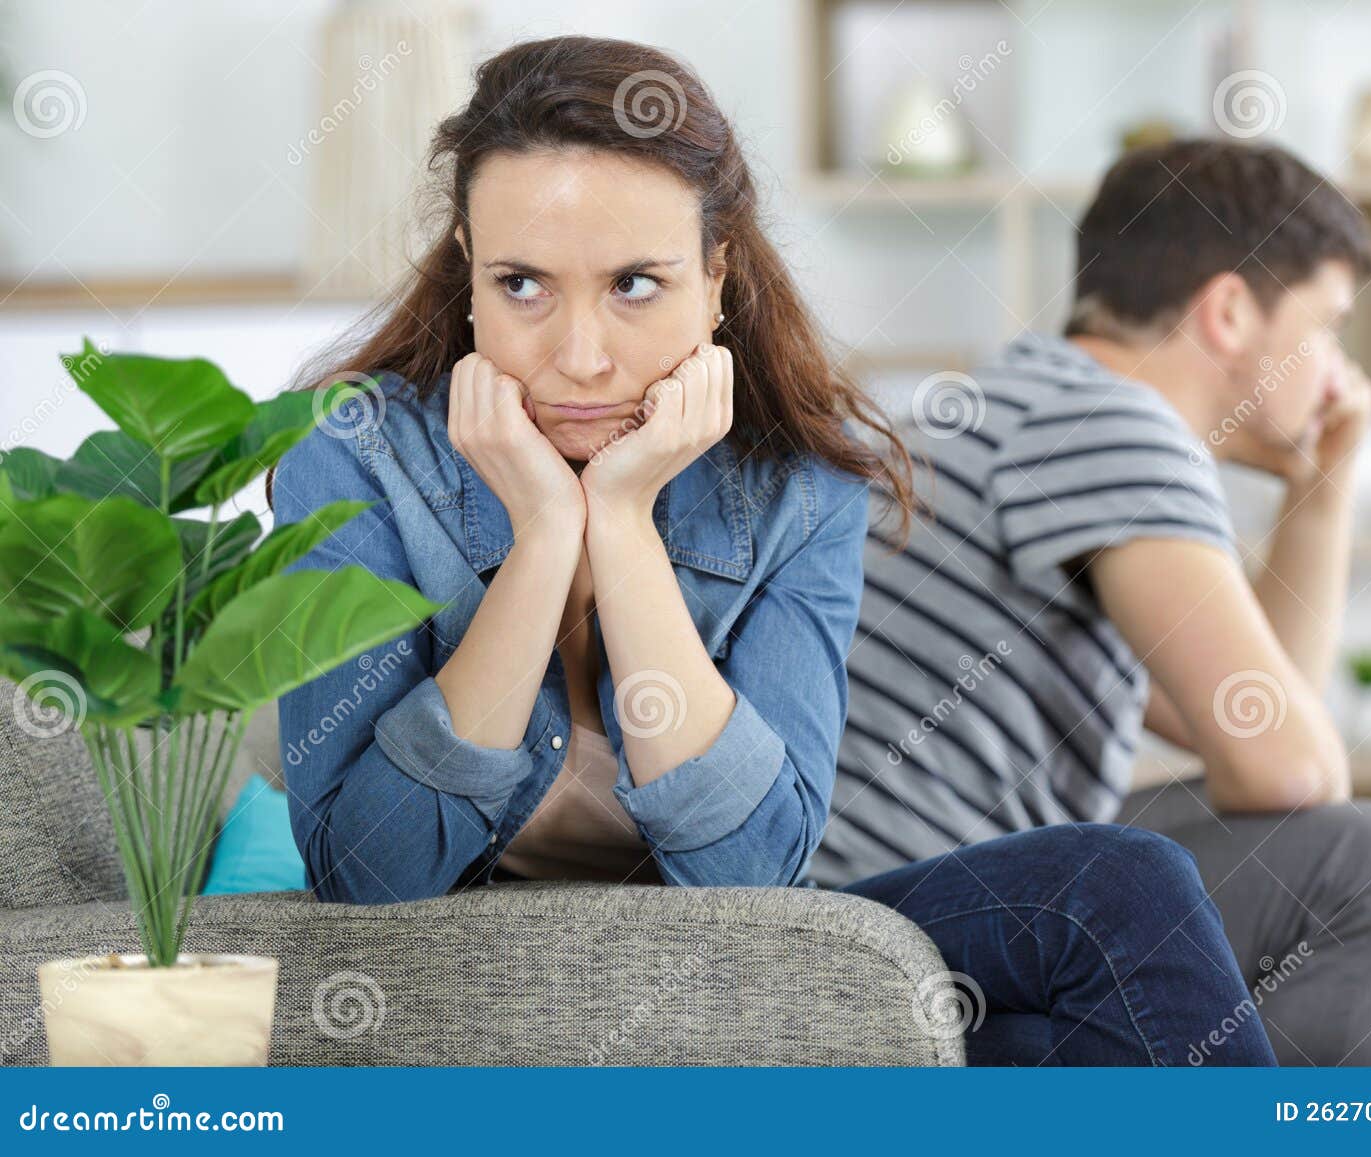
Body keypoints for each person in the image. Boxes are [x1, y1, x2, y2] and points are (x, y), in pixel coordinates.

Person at [270, 36, 1274, 1067]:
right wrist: (541, 541)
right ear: (469, 279)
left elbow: (751, 868)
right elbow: (367, 871)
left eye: (635, 285)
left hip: (722, 955)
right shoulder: (354, 458)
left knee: (1115, 898)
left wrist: (620, 523)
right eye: (522, 284)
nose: (579, 355)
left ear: (715, 283)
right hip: (494, 965)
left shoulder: (800, 488)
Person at [820, 139, 1371, 1066]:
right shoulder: (1114, 423)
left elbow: (1252, 720)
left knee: (1329, 842)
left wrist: (1322, 493)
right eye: (1328, 326)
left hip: (907, 906)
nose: (1341, 374)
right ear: (1230, 313)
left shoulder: (1032, 403)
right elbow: (1293, 771)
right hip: (889, 928)